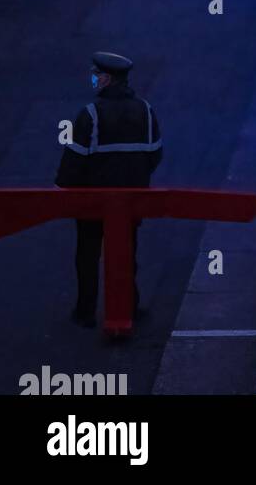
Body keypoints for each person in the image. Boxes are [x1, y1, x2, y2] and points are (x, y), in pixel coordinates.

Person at [56, 52, 162, 329]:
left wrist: (64, 189)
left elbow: (74, 159)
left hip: (93, 201)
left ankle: (86, 311)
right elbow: (155, 154)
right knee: (127, 252)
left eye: (96, 74)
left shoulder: (90, 114)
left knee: (87, 254)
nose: (93, 78)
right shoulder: (146, 110)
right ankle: (130, 306)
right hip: (131, 200)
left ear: (107, 79)